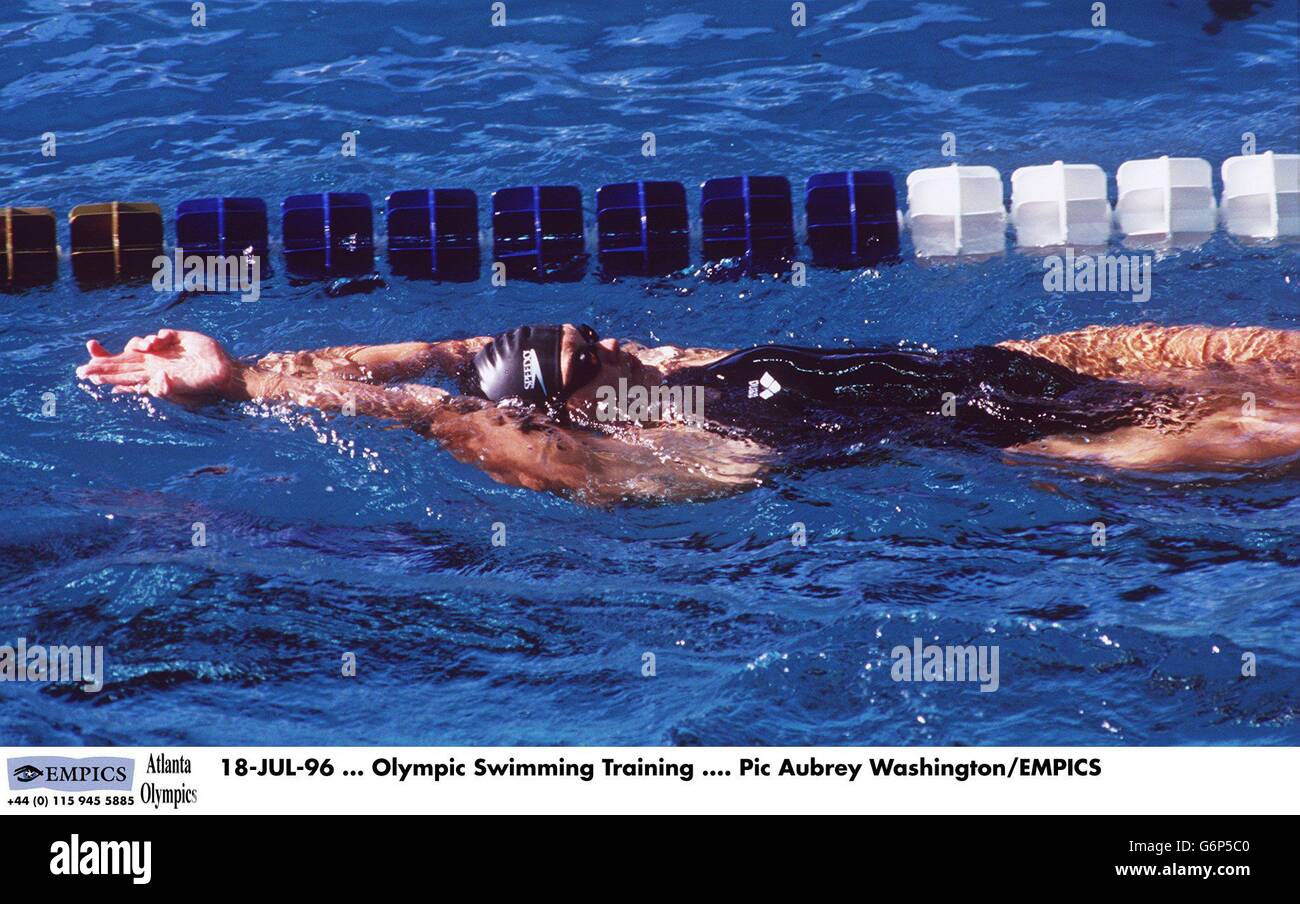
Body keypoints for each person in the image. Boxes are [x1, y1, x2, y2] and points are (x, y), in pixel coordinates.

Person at [75, 321, 1300, 505]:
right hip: (1006, 435)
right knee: (1238, 431)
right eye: (576, 348)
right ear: (570, 397)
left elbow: (440, 353)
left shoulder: (662, 369)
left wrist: (254, 373)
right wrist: (233, 402)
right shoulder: (662, 438)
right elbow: (432, 402)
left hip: (998, 370)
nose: (600, 334)